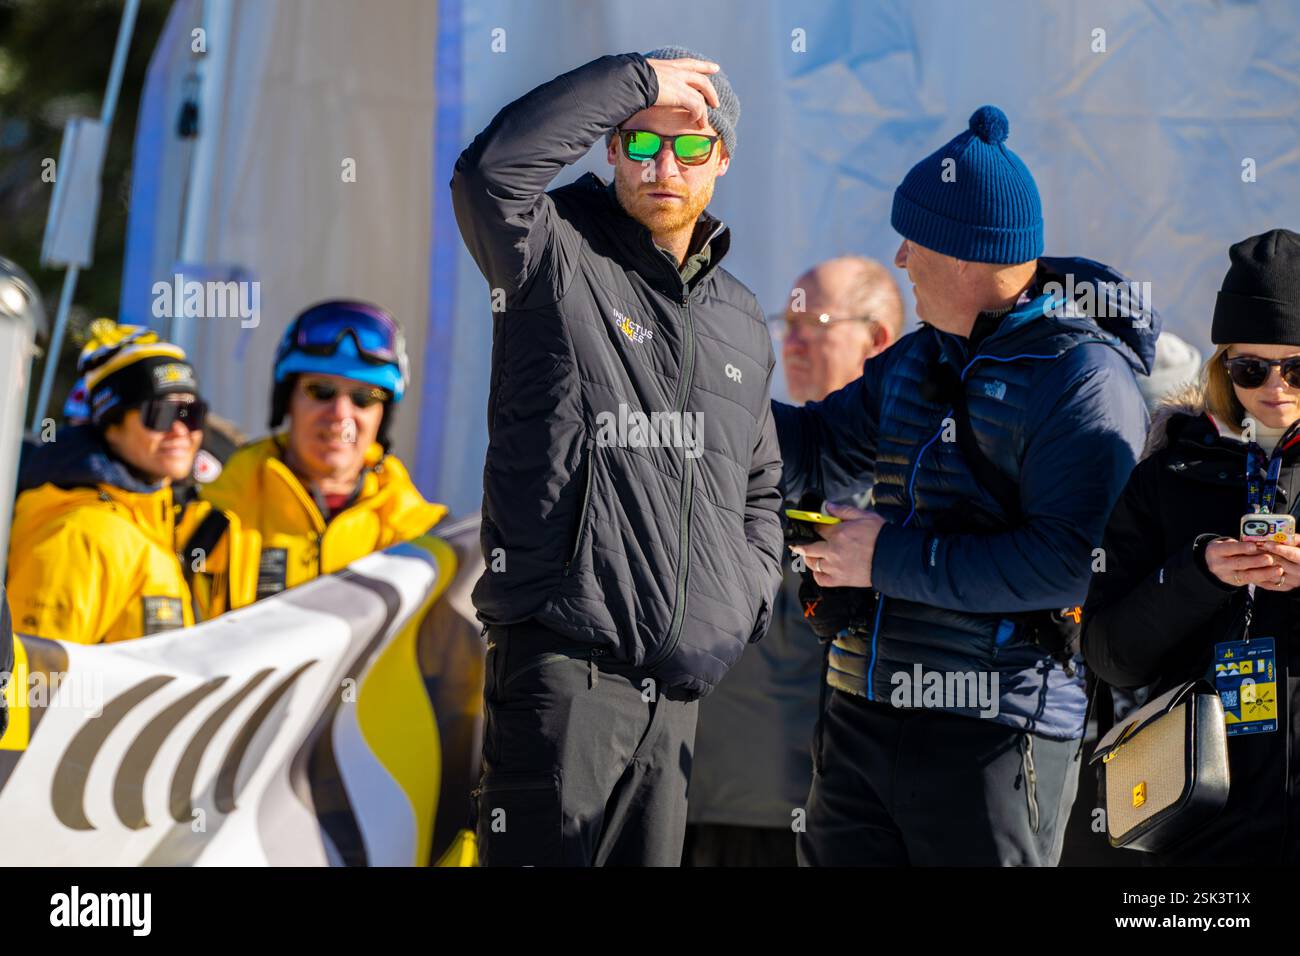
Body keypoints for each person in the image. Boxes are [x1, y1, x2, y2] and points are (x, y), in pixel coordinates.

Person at [772, 105, 1156, 866]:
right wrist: (696, 392)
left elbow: (1069, 561)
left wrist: (882, 561)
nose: (901, 260)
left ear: (969, 257)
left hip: (994, 729)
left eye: (914, 240)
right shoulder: (920, 357)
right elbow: (812, 450)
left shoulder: (1084, 379)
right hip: (860, 711)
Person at [452, 47, 784, 867]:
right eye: (639, 142)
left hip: (674, 698)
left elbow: (761, 485)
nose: (662, 164)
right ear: (610, 148)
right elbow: (487, 174)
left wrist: (737, 602)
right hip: (564, 676)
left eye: (689, 145)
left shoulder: (740, 316)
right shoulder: (552, 250)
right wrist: (636, 80)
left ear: (724, 160)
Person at [1082, 228, 1300, 865]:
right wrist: (1198, 575)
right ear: (1222, 365)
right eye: (1251, 368)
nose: (1276, 387)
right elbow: (1108, 654)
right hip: (1201, 817)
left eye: (1297, 366)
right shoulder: (1167, 474)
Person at [684, 256, 902, 866]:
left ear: (878, 338)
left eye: (817, 322)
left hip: (821, 815)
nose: (794, 339)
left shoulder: (911, 482)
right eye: (789, 321)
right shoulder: (743, 456)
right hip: (697, 795)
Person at [193, 300, 446, 616]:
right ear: (287, 401)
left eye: (364, 398)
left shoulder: (424, 538)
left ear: (383, 416)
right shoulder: (207, 515)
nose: (340, 415)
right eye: (320, 391)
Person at [7, 326, 214, 643]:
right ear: (112, 424)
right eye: (159, 415)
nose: (179, 430)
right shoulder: (79, 535)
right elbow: (31, 677)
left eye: (191, 414)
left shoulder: (165, 523)